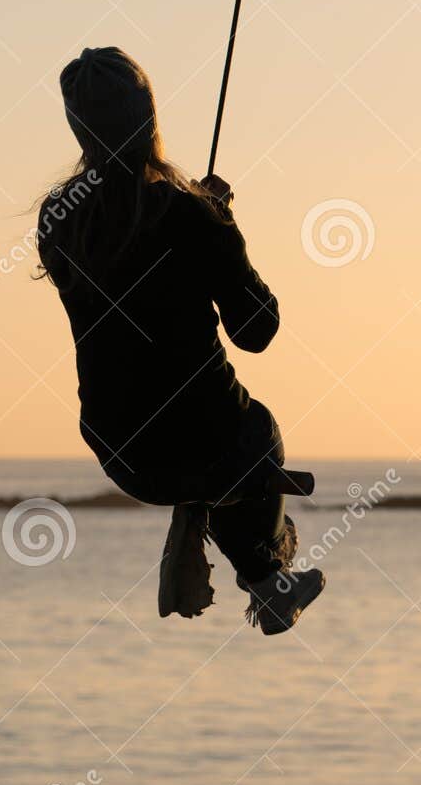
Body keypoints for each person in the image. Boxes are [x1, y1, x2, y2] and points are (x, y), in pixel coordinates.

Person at [35, 47, 325, 635]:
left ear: (78, 126)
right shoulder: (191, 217)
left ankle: (212, 514)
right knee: (257, 433)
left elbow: (129, 239)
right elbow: (256, 331)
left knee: (212, 447)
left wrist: (203, 217)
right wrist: (222, 226)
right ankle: (262, 572)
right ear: (149, 118)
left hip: (123, 453)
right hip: (213, 443)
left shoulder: (58, 223)